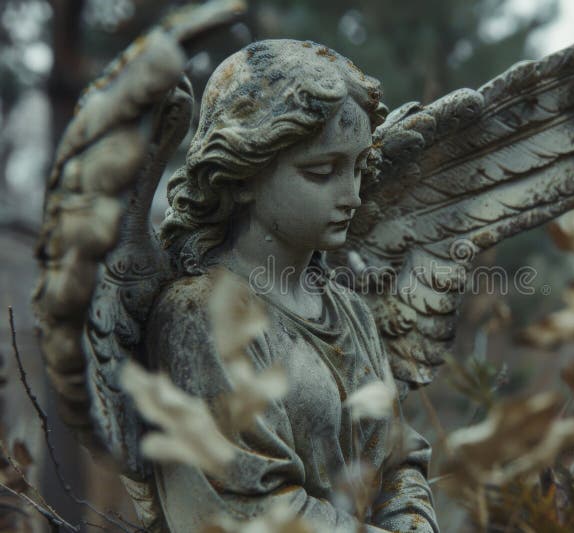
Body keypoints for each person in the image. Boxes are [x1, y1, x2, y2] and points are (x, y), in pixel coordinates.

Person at [147, 39, 439, 532]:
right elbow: (245, 512)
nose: (352, 195)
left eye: (359, 169)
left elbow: (399, 462)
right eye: (321, 172)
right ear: (243, 174)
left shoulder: (348, 310)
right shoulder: (201, 316)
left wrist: (413, 523)